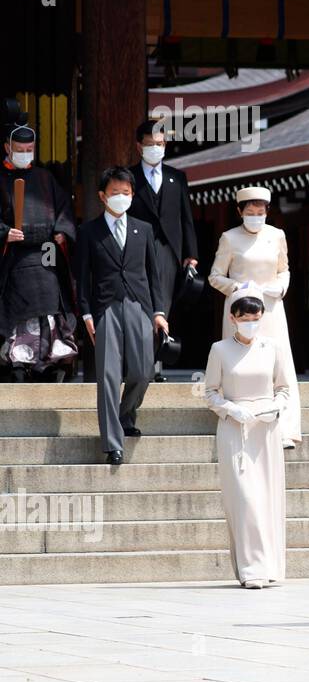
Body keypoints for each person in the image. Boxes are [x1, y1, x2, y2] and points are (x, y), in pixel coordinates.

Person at [74, 167, 169, 465]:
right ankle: (113, 443)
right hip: (105, 308)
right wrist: (86, 313)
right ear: (103, 196)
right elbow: (81, 278)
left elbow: (155, 275)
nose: (121, 198)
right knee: (108, 375)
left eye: (126, 193)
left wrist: (159, 312)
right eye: (115, 193)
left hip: (139, 306)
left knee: (142, 372)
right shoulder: (88, 231)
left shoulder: (144, 229)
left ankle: (125, 414)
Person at [202, 283, 291, 589]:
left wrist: (277, 406)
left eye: (256, 318)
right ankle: (250, 568)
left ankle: (270, 565)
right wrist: (230, 409)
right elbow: (210, 392)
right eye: (245, 318)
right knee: (244, 498)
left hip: (265, 428)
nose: (251, 323)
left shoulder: (272, 348)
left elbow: (284, 387)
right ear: (233, 317)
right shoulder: (220, 349)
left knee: (267, 496)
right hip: (235, 429)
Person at [207, 186, 301, 448]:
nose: (256, 217)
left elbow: (285, 270)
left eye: (261, 212)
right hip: (241, 307)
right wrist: (238, 288)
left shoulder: (276, 235)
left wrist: (280, 287)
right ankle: (239, 419)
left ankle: (283, 429)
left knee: (277, 363)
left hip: (270, 308)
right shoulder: (229, 238)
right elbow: (215, 276)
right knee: (241, 363)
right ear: (240, 212)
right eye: (250, 212)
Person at [0, 119, 79, 382]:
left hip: (46, 251)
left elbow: (64, 207)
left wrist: (61, 230)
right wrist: (4, 232)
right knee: (21, 304)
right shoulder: (0, 178)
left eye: (29, 149)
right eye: (20, 149)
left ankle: (52, 356)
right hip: (15, 255)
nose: (25, 153)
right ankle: (19, 359)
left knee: (51, 300)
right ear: (7, 148)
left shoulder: (45, 177)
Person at [129, 119, 199, 381]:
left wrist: (190, 255)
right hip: (137, 250)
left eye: (159, 144)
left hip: (169, 250)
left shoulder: (176, 178)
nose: (155, 148)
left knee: (163, 308)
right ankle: (140, 364)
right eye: (150, 145)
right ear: (139, 146)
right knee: (140, 306)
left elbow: (186, 217)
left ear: (165, 144)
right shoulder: (129, 177)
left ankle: (156, 367)